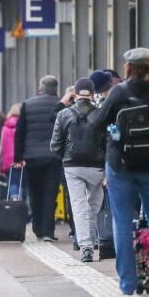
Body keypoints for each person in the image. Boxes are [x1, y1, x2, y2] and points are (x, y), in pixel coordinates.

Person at [89, 48, 149, 295]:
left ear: (128, 68)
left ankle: (128, 284)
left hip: (121, 166)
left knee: (122, 222)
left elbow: (96, 124)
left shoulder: (119, 92)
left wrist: (113, 133)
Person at [51, 78, 107, 263]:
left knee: (79, 206)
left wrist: (65, 156)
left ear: (75, 93)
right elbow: (108, 142)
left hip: (72, 166)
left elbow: (55, 145)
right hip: (97, 167)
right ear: (92, 93)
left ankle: (86, 247)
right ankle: (90, 243)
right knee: (93, 206)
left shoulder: (64, 114)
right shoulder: (101, 114)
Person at [15, 75, 63, 242]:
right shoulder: (61, 105)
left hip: (32, 158)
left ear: (40, 87)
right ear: (56, 88)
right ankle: (48, 231)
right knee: (50, 194)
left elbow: (19, 133)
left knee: (35, 194)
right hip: (54, 157)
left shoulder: (28, 104)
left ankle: (37, 228)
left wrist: (17, 157)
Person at [0, 103, 22, 199]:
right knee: (21, 182)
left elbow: (1, 146)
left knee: (12, 182)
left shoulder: (4, 128)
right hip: (20, 158)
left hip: (7, 160)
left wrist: (0, 160)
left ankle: (13, 200)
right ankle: (20, 201)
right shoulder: (22, 127)